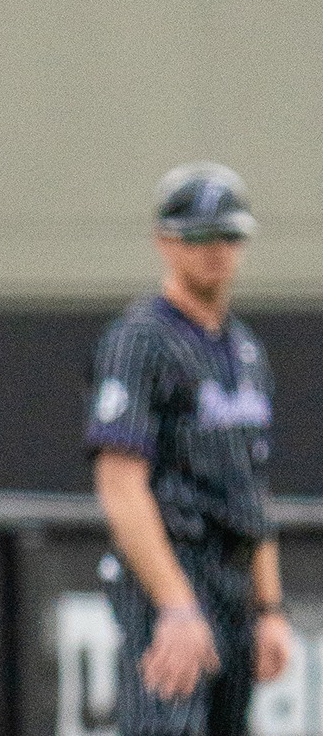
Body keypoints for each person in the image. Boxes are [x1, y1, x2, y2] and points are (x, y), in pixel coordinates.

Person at [87, 161, 294, 736]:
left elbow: (253, 489)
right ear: (165, 242)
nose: (215, 251)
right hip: (172, 570)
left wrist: (270, 608)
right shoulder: (139, 340)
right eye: (199, 237)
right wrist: (176, 604)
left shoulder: (244, 349)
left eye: (227, 235)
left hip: (234, 580)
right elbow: (120, 486)